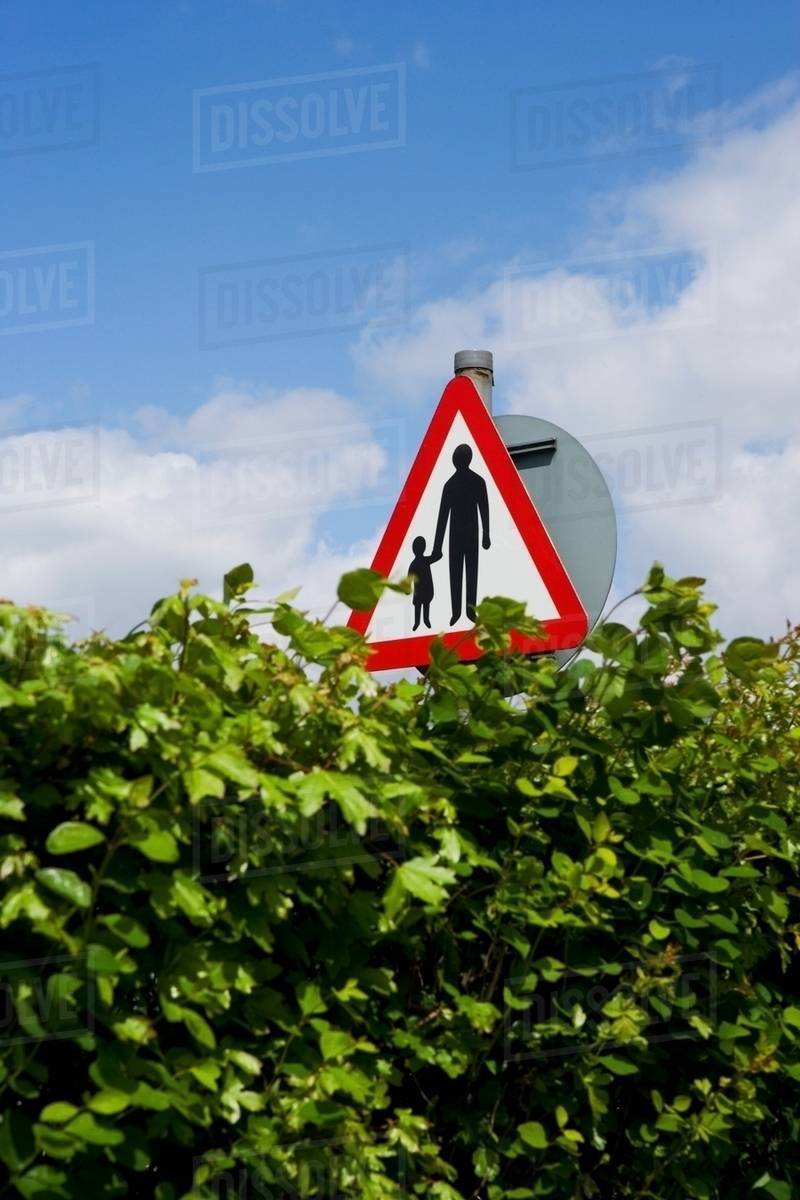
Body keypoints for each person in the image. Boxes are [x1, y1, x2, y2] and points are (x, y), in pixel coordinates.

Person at [431, 443, 490, 624]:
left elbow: (484, 509)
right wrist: (437, 547)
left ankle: (467, 611)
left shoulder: (478, 482)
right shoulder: (450, 485)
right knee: (457, 573)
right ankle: (457, 612)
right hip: (456, 536)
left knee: (469, 572)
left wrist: (486, 533)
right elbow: (442, 517)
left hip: (468, 534)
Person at [408, 535, 435, 630]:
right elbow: (409, 578)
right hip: (419, 591)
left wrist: (437, 549)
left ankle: (426, 620)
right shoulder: (414, 564)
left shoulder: (425, 560)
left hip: (425, 590)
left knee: (425, 605)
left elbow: (437, 556)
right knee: (419, 606)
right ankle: (417, 623)